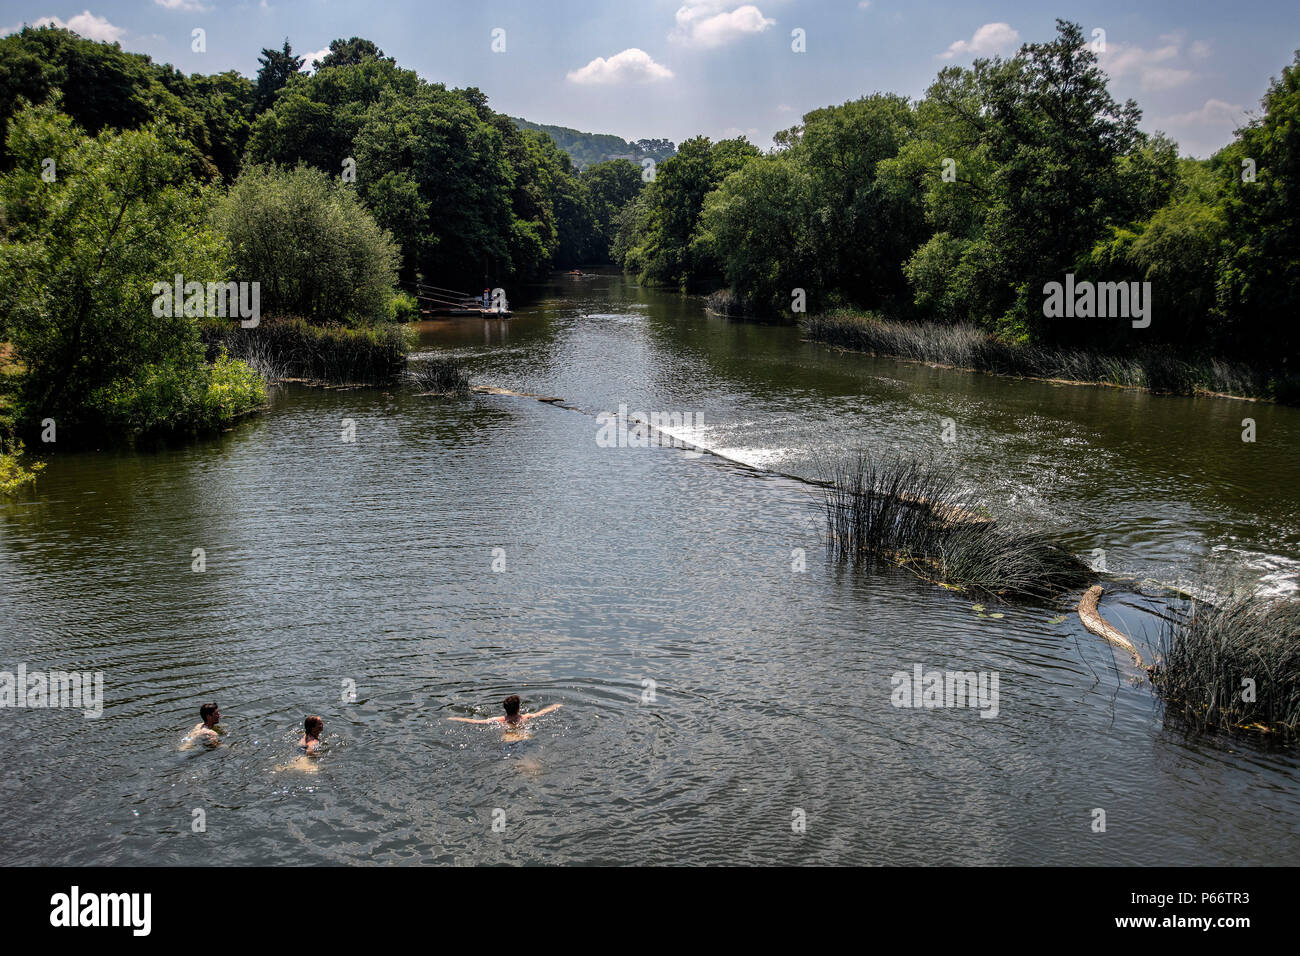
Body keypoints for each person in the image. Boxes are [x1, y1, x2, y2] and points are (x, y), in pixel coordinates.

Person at [449, 695, 562, 727]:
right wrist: (556, 706)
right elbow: (542, 712)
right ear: (518, 708)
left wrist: (455, 718)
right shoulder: (525, 717)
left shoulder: (500, 720)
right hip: (524, 736)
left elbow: (474, 722)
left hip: (507, 738)